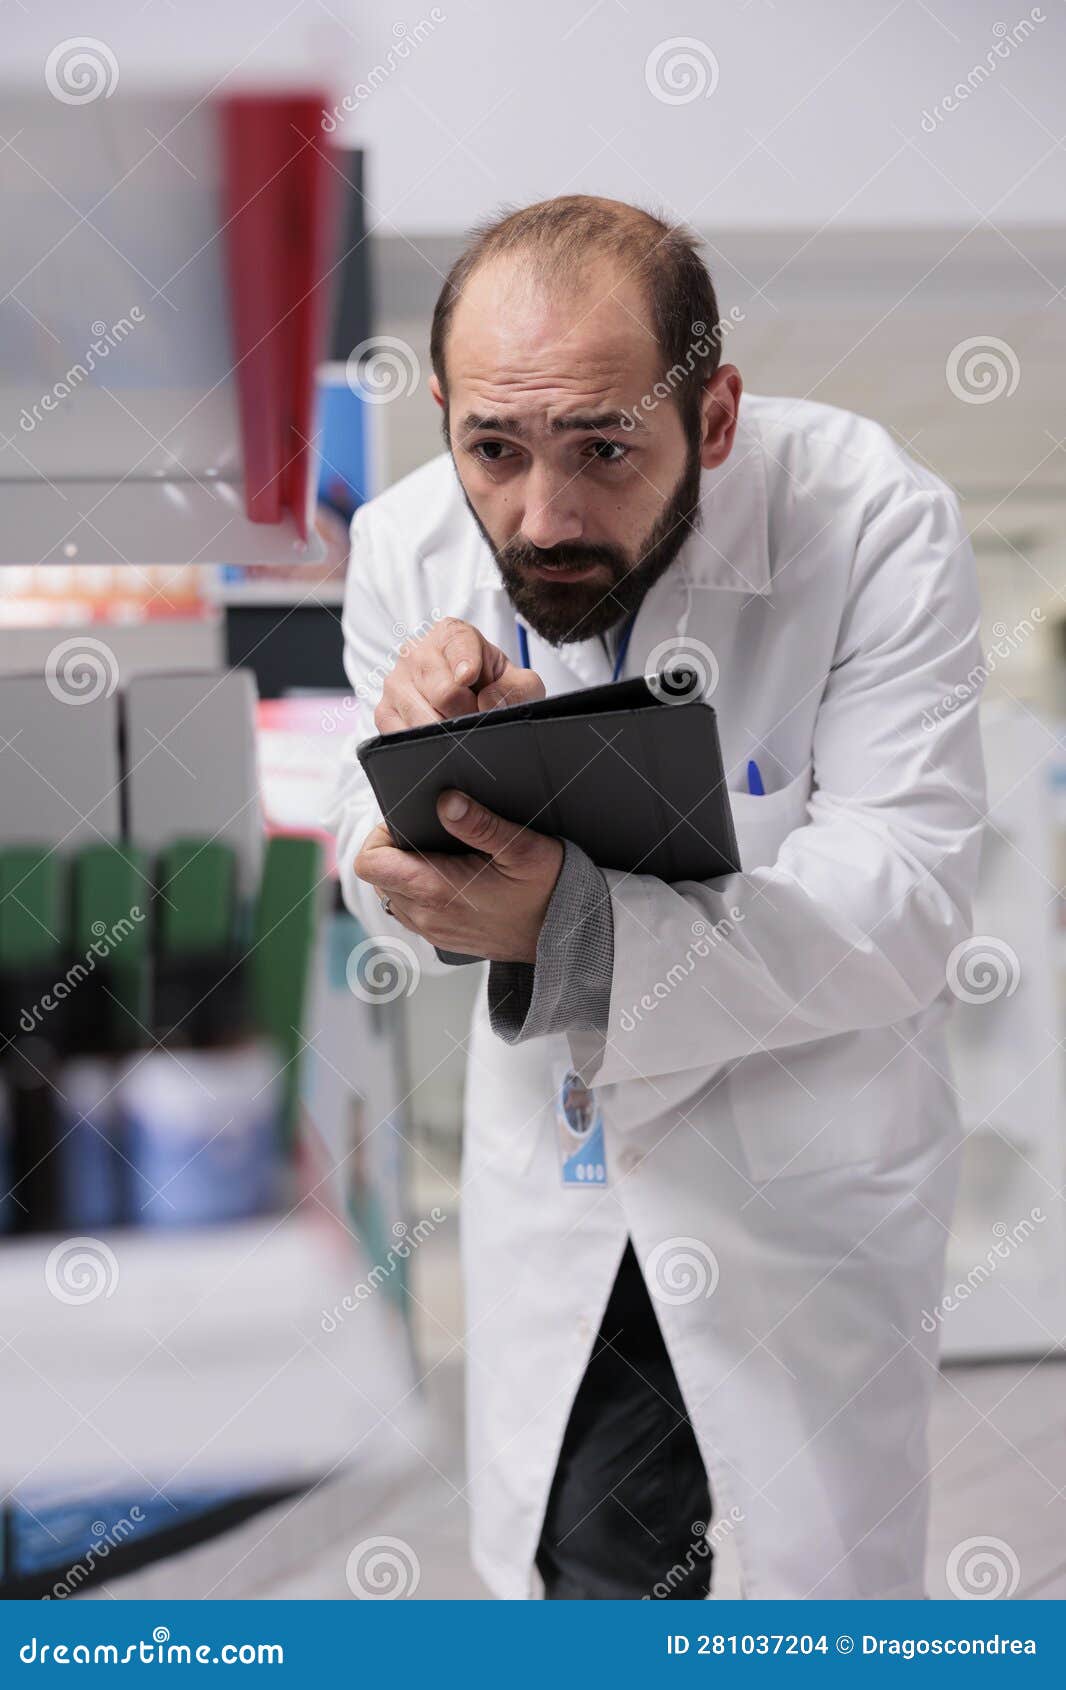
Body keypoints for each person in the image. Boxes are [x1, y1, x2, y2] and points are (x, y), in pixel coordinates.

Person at [329, 195, 986, 1599]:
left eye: (605, 447)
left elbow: (904, 893)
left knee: (806, 1595)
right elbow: (364, 861)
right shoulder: (404, 546)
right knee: (587, 1578)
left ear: (719, 413)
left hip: (795, 1174)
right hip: (563, 1182)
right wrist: (427, 806)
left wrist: (567, 928)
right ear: (442, 408)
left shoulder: (870, 519)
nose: (542, 514)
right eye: (492, 448)